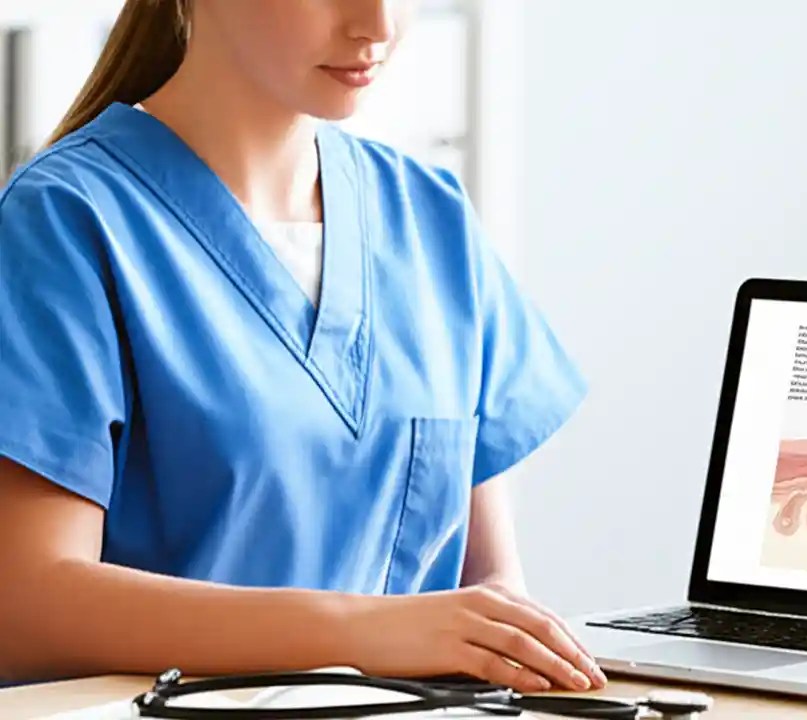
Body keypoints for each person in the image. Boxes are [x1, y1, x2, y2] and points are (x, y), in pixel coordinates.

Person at [0, 0, 605, 694]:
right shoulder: (64, 223)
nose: (377, 25)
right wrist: (359, 632)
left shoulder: (430, 217)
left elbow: (492, 593)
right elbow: (24, 610)